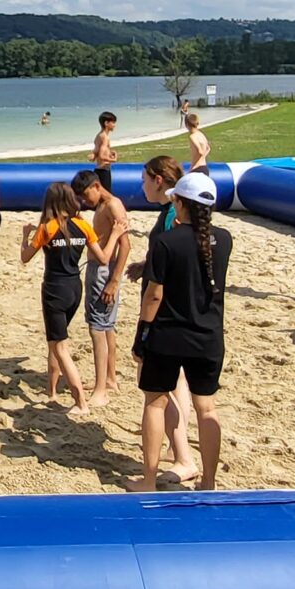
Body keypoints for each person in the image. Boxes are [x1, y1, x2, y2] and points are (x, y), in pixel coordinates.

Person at [130, 171, 234, 490]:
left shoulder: (166, 242)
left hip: (168, 334)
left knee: (155, 402)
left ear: (180, 203)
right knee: (207, 408)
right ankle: (209, 481)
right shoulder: (224, 239)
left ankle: (148, 480)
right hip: (208, 334)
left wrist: (141, 335)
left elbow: (154, 294)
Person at [127, 154, 203, 483]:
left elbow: (177, 256)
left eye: (145, 179)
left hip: (165, 314)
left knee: (159, 392)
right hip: (172, 310)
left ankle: (183, 457)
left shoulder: (173, 211)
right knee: (173, 389)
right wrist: (145, 267)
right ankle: (181, 453)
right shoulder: (171, 211)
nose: (142, 185)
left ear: (159, 180)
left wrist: (145, 328)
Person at [20, 181, 97, 412]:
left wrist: (25, 236)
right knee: (55, 341)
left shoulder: (48, 227)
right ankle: (51, 392)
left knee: (60, 347)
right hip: (75, 286)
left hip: (55, 289)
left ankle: (80, 402)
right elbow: (101, 257)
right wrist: (115, 233)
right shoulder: (83, 225)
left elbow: (25, 257)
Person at [71, 169, 133, 408]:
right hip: (100, 269)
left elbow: (125, 246)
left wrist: (114, 281)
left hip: (105, 271)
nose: (86, 201)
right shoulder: (103, 205)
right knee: (107, 327)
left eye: (87, 195)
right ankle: (109, 378)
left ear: (97, 186)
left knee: (98, 327)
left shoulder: (113, 206)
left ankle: (101, 389)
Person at [91, 111, 119, 191]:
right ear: (106, 123)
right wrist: (113, 159)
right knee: (106, 195)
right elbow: (102, 156)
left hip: (99, 169)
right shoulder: (105, 138)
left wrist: (109, 153)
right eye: (113, 122)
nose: (114, 125)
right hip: (104, 170)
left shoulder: (99, 136)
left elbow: (96, 153)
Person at [183, 109, 212, 180]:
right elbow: (208, 148)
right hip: (204, 168)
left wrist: (193, 167)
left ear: (186, 125)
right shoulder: (201, 134)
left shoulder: (192, 136)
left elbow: (200, 152)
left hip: (197, 169)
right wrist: (203, 158)